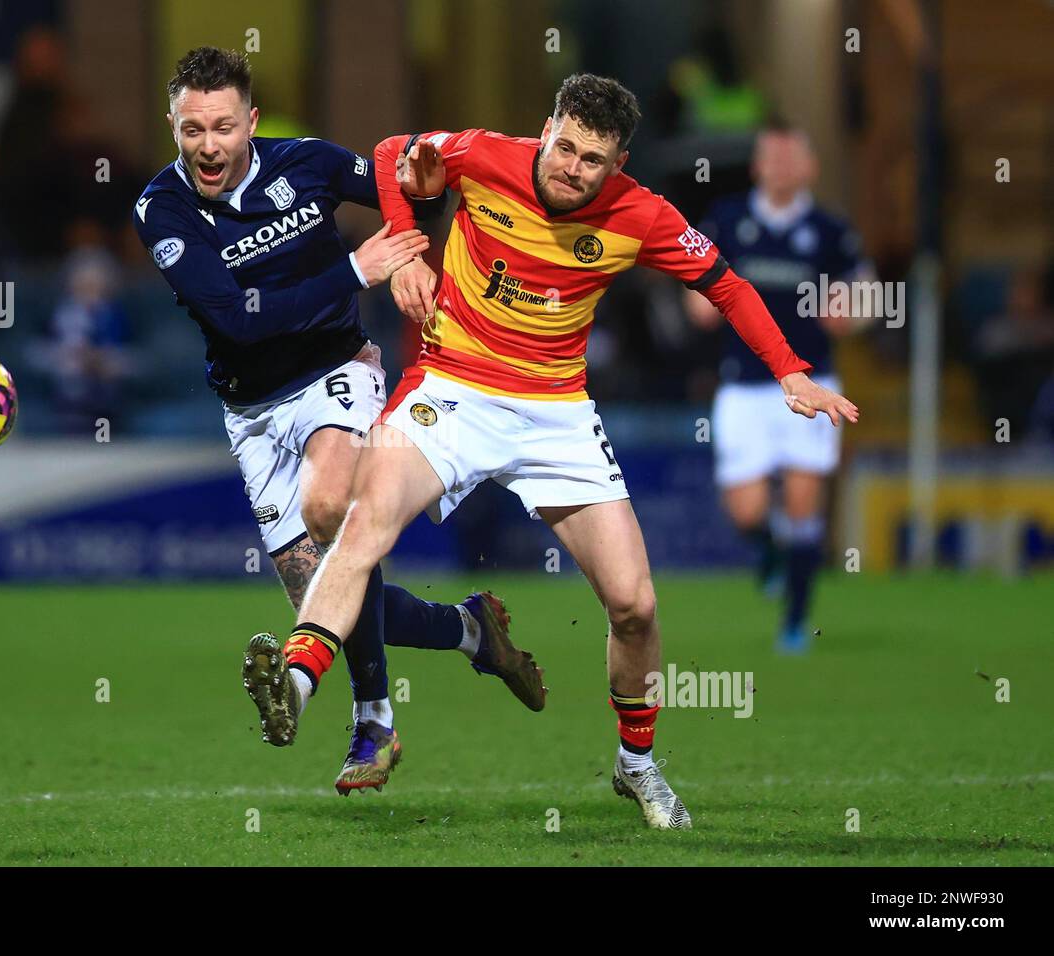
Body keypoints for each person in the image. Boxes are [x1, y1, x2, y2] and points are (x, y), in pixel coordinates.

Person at [249, 73, 859, 829]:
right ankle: (298, 683)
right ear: (546, 129)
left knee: (634, 605)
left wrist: (791, 373)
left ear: (619, 163)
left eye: (592, 159)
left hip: (556, 413)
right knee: (364, 522)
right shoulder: (483, 156)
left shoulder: (643, 215)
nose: (571, 167)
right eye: (564, 147)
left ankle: (637, 764)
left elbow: (727, 286)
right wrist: (407, 253)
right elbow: (389, 155)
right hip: (454, 389)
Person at [132, 48, 546, 794]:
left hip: (336, 374)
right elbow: (236, 320)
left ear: (250, 122)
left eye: (223, 127)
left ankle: (373, 720)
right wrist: (359, 269)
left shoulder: (311, 165)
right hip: (250, 412)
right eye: (191, 129)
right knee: (332, 601)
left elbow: (408, 194)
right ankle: (470, 629)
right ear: (173, 125)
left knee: (331, 509)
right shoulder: (161, 208)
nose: (207, 146)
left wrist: (421, 207)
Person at [686, 121, 871, 653]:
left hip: (813, 382)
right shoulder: (726, 220)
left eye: (793, 158)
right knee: (745, 510)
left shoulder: (833, 232)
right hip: (744, 385)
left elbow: (863, 294)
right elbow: (693, 286)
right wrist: (694, 302)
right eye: (774, 157)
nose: (783, 166)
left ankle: (795, 618)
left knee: (802, 501)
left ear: (810, 168)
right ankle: (768, 554)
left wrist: (854, 310)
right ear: (758, 166)